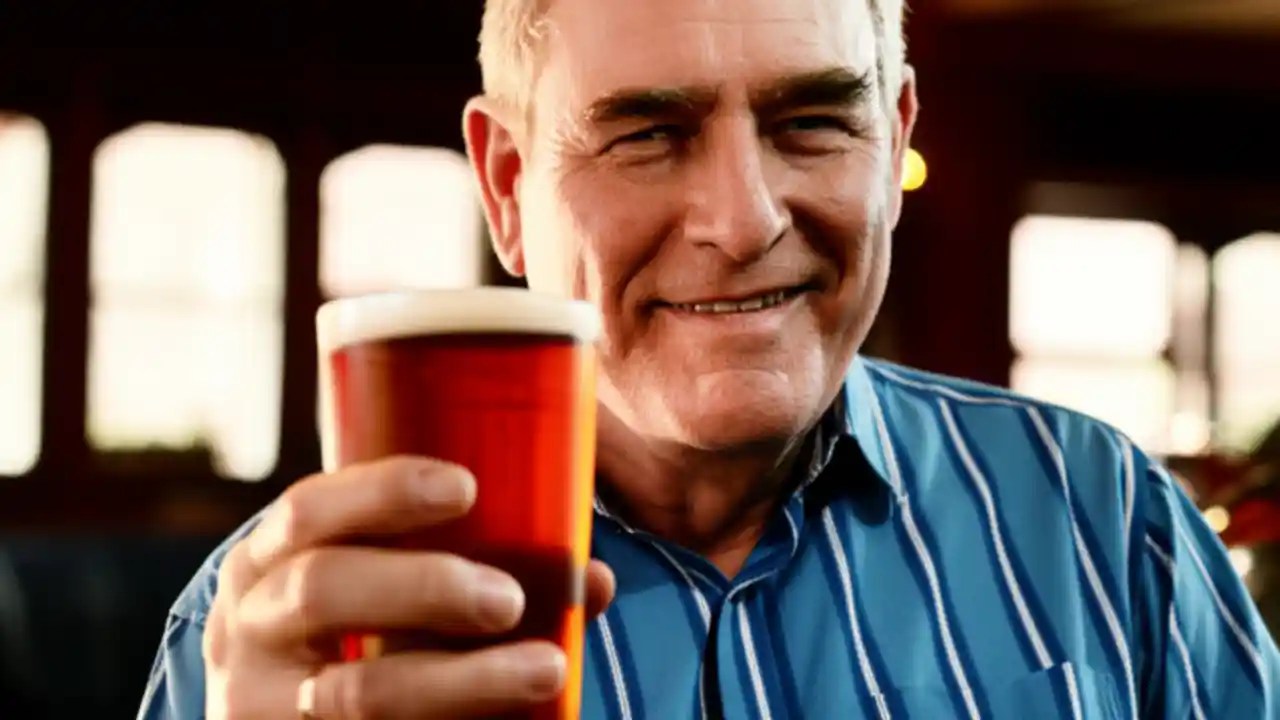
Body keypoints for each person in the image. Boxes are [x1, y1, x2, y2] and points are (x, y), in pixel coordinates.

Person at [139, 0, 1280, 717]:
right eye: (647, 134)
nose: (741, 222)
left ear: (894, 144)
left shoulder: (1105, 518)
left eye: (810, 123)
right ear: (503, 185)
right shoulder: (270, 645)